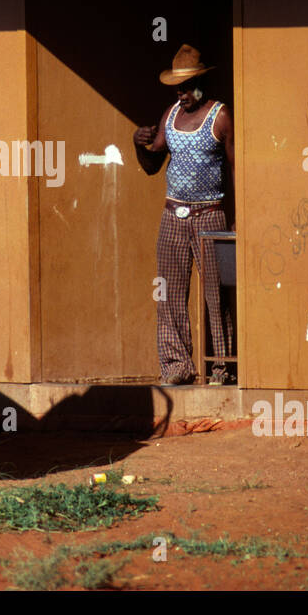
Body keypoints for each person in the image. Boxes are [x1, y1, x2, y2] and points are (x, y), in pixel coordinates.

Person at [133, 44, 235, 385]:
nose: (181, 93)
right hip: (173, 215)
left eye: (186, 86)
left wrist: (235, 218)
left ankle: (222, 366)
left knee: (215, 294)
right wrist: (138, 143)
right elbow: (151, 165)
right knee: (170, 292)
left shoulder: (220, 117)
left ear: (201, 83)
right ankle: (176, 365)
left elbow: (235, 168)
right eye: (177, 87)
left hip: (210, 215)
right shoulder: (170, 116)